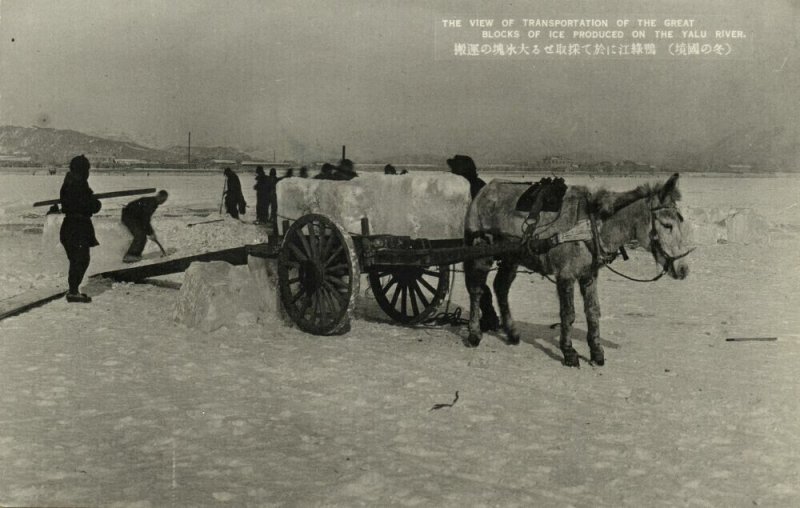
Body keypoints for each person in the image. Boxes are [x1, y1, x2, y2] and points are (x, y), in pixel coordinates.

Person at [447, 154, 500, 331]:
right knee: (478, 279)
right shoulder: (481, 186)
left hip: (476, 239)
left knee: (475, 279)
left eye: (453, 170)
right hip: (481, 237)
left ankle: (489, 316)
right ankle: (489, 315)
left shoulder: (467, 187)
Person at [59, 155, 101, 303]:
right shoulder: (79, 184)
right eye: (87, 169)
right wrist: (96, 202)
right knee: (81, 259)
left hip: (70, 225)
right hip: (78, 226)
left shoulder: (69, 182)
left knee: (77, 259)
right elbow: (91, 206)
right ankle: (73, 292)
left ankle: (73, 290)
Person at [121, 190, 169, 263]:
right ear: (158, 196)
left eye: (164, 199)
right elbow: (145, 219)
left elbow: (144, 219)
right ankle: (130, 256)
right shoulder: (151, 203)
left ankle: (135, 255)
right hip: (130, 217)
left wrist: (150, 232)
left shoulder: (152, 202)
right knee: (140, 235)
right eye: (162, 199)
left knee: (141, 235)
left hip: (134, 217)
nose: (163, 201)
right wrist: (150, 233)